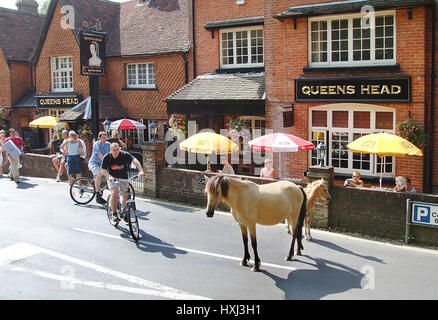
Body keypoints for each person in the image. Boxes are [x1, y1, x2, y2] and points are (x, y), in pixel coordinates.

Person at [101, 142, 144, 221]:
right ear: (110, 150)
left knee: (125, 196)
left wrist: (140, 170)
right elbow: (103, 170)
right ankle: (114, 214)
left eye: (117, 150)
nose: (116, 152)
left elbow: (135, 161)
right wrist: (109, 176)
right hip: (112, 178)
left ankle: (124, 212)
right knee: (114, 193)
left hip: (123, 178)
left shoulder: (124, 155)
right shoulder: (107, 157)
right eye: (114, 150)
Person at [88, 131, 110, 204]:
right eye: (103, 138)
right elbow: (99, 155)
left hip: (102, 164)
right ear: (99, 138)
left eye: (105, 137)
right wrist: (107, 163)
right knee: (98, 175)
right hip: (94, 163)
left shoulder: (108, 144)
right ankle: (97, 194)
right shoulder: (96, 144)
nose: (104, 139)